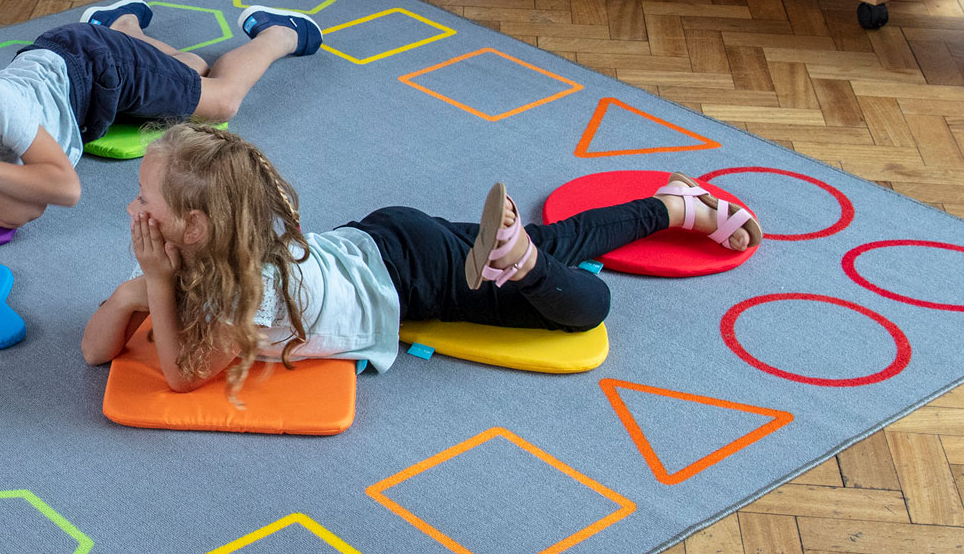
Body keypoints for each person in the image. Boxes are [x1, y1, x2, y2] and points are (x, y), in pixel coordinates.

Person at [81, 123, 760, 394]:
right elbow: (92, 351)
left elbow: (180, 377)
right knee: (553, 244)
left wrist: (150, 288)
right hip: (387, 235)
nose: (133, 207)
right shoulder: (209, 242)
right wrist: (136, 293)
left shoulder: (244, 296)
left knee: (584, 308)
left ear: (195, 226)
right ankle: (671, 206)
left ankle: (521, 262)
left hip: (418, 278)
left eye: (144, 197)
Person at [0, 1, 323, 230]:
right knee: (188, 69)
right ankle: (124, 22)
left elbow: (65, 189)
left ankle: (277, 32)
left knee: (220, 101)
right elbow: (24, 213)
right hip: (83, 115)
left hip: (90, 66)